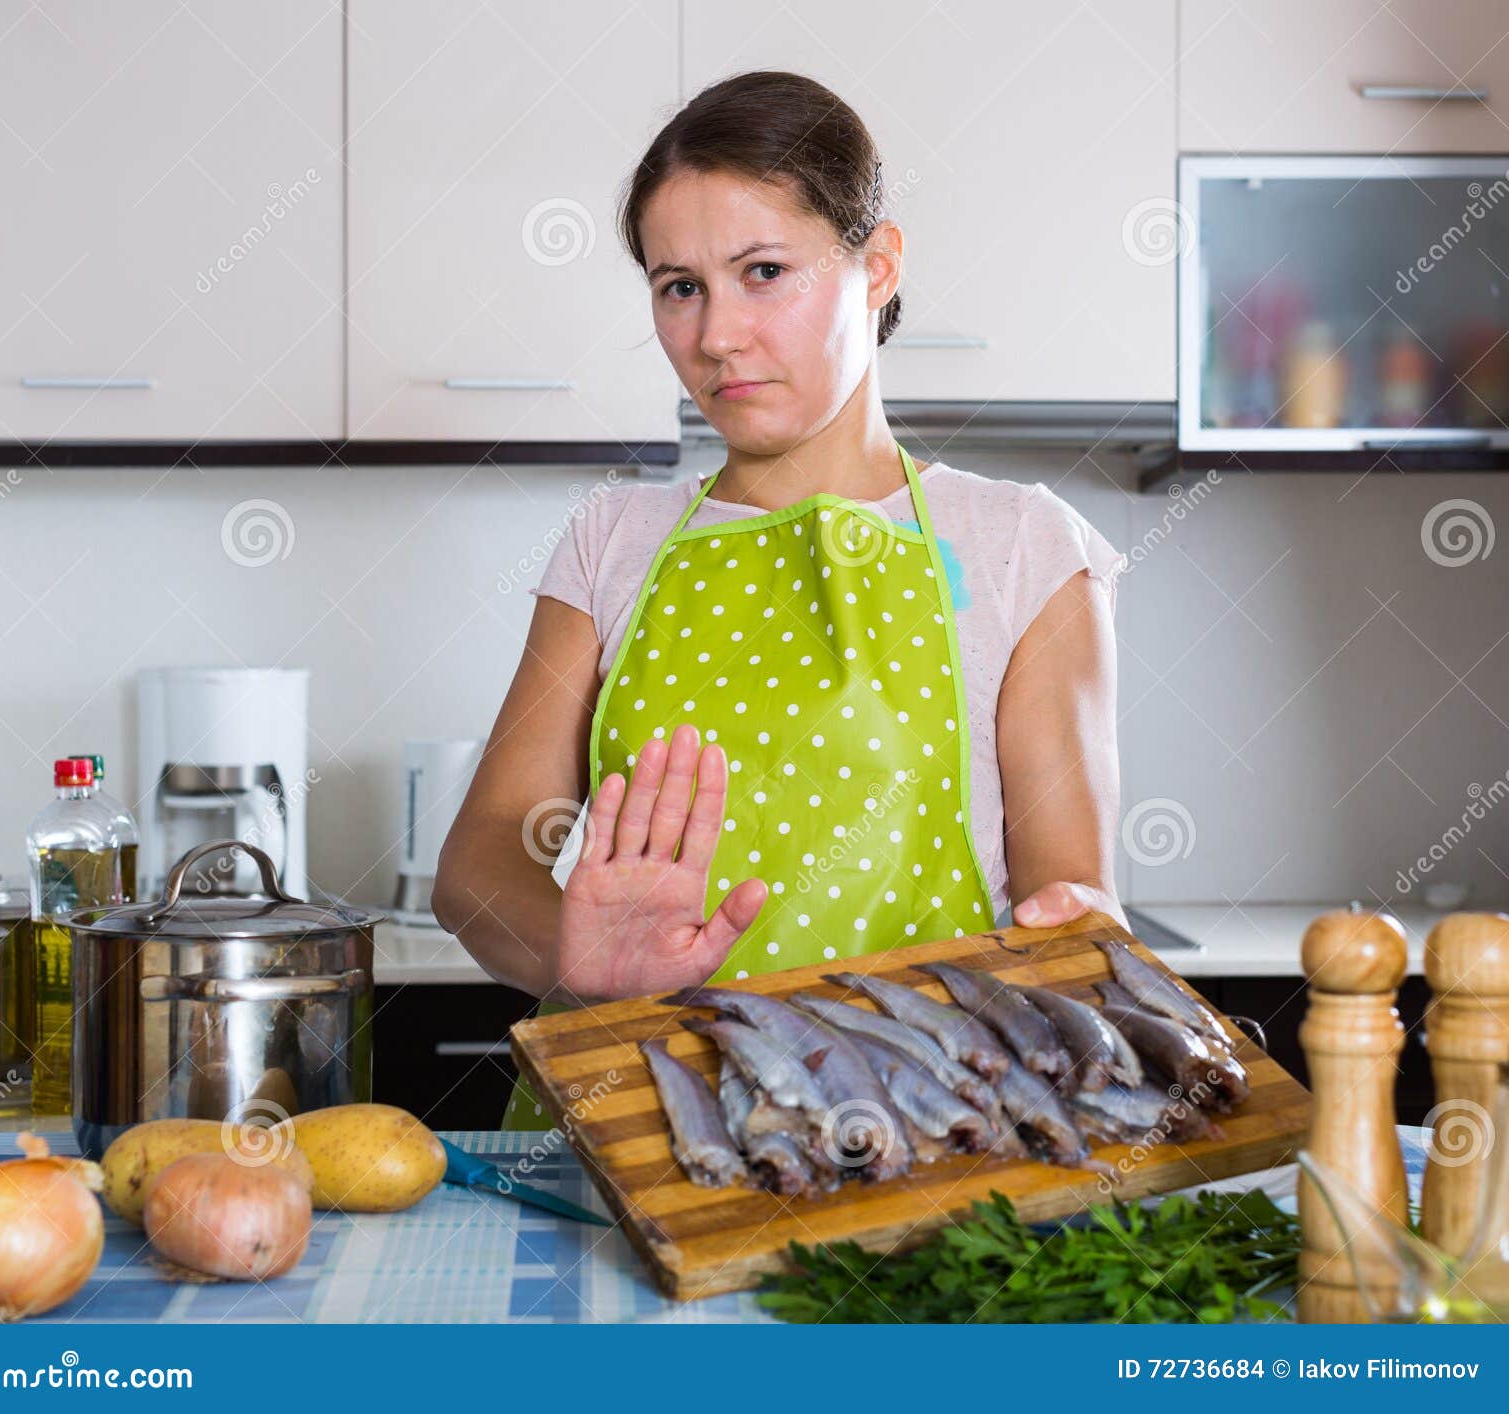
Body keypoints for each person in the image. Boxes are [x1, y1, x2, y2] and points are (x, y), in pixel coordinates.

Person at [432, 70, 1128, 1129]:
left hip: (918, 1136)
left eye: (764, 272)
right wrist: (590, 971)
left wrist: (1079, 937)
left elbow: (1068, 902)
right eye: (679, 286)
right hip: (628, 1132)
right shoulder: (612, 543)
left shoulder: (1021, 548)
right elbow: (486, 856)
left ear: (877, 265)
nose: (715, 337)